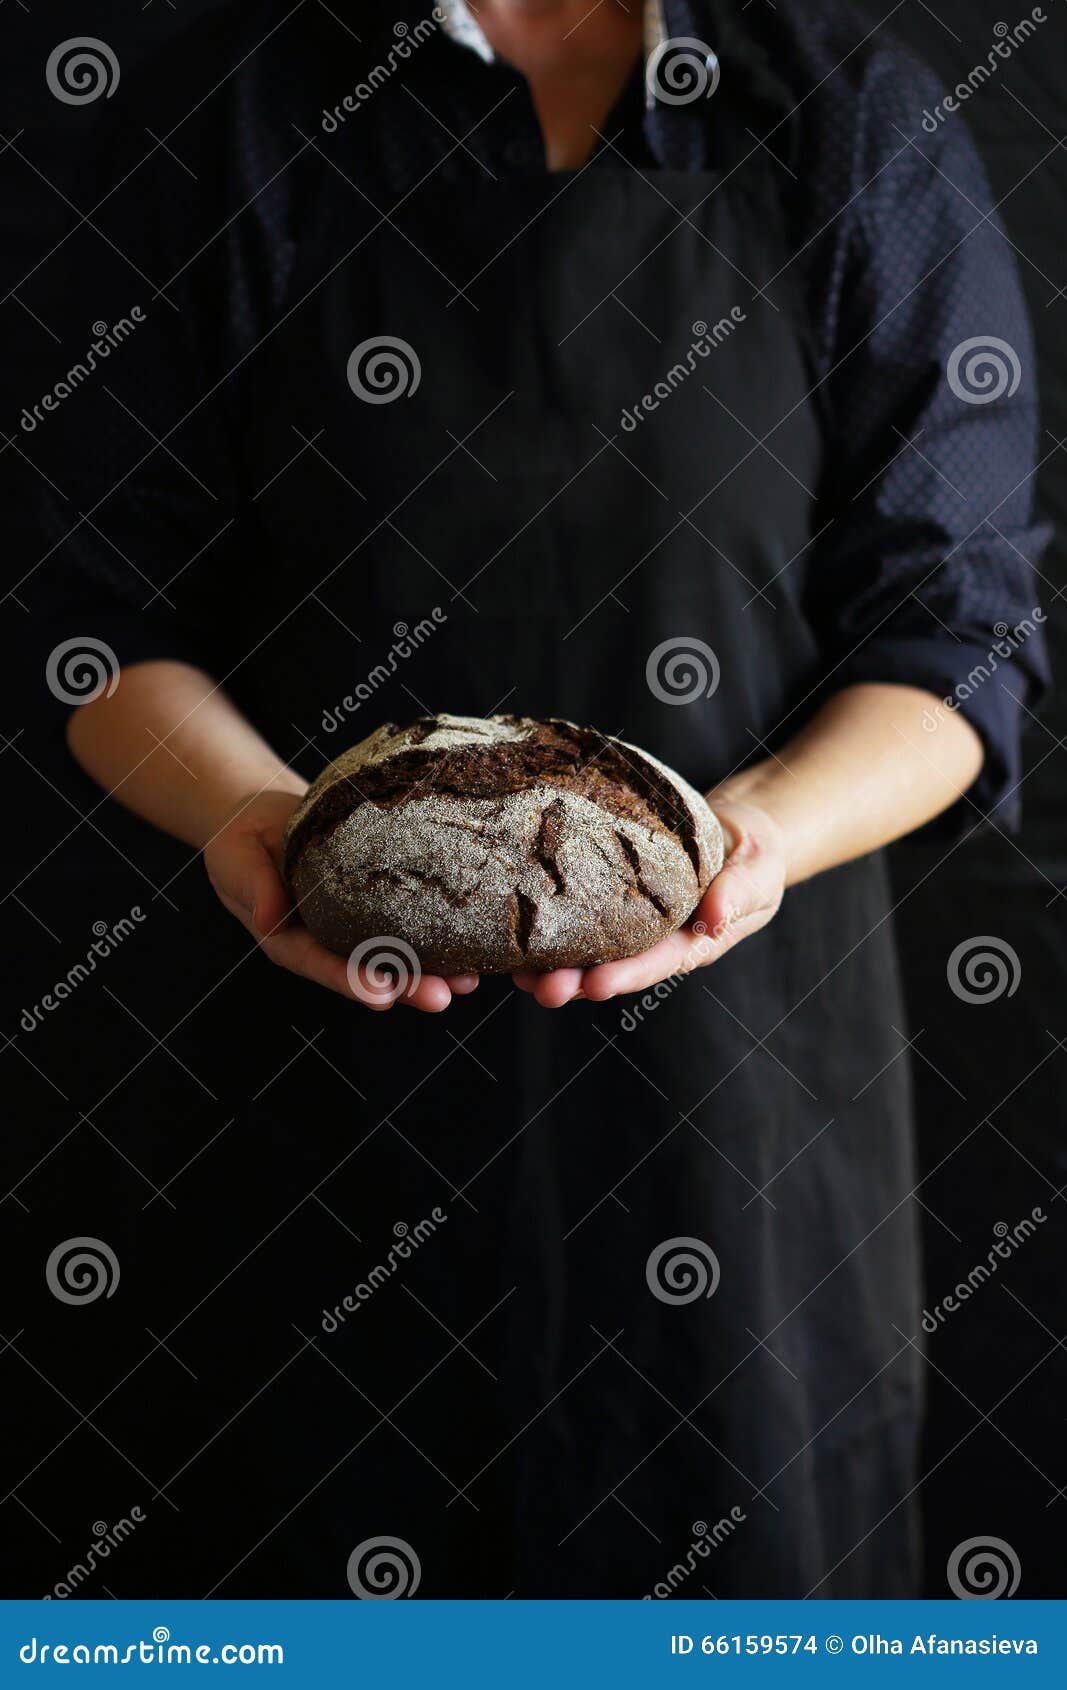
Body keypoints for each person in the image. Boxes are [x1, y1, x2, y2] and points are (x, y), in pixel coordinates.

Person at [17, 0, 1048, 1596]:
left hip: (744, 1144)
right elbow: (90, 622)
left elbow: (959, 632)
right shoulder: (218, 122)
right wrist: (252, 817)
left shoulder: (852, 123)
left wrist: (756, 834)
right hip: (313, 1134)